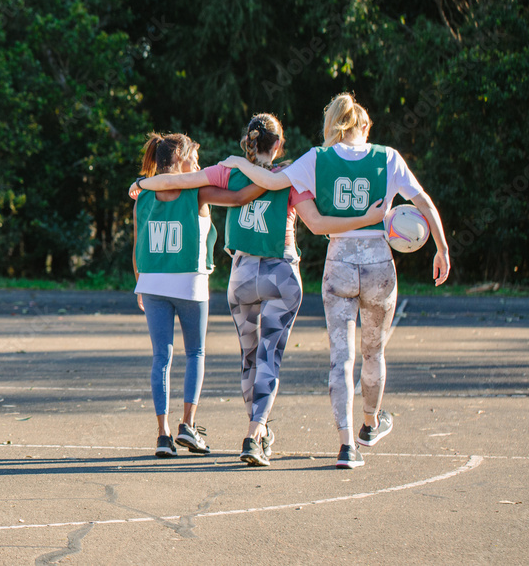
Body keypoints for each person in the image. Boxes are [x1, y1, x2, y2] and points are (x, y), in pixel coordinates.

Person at [135, 115, 384, 466]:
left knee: (249, 360)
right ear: (278, 144)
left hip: (241, 275)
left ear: (247, 142)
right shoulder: (291, 175)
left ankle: (257, 431)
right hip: (279, 271)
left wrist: (141, 185)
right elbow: (317, 220)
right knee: (269, 358)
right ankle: (254, 433)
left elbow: (184, 180)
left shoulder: (226, 172)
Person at [222, 93, 450, 469]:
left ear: (333, 124)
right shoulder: (388, 157)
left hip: (340, 259)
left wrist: (235, 162)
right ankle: (370, 424)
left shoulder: (316, 158)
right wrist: (441, 247)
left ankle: (346, 445)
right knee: (373, 351)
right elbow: (422, 200)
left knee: (340, 357)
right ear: (363, 125)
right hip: (378, 259)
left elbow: (268, 180)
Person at [132, 132, 262, 458]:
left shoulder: (143, 195)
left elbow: (137, 247)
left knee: (161, 357)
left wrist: (140, 283)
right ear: (182, 160)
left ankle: (162, 434)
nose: (200, 166)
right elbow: (240, 197)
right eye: (196, 159)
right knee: (195, 353)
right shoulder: (197, 192)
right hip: (189, 281)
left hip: (152, 282)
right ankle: (187, 424)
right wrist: (276, 179)